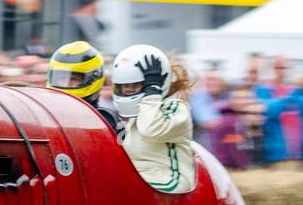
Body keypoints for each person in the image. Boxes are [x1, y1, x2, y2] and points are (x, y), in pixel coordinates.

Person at [109, 44, 195, 193]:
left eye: (136, 84)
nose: (128, 89)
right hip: (137, 180)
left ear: (153, 84)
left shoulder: (175, 108)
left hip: (169, 180)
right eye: (124, 85)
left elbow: (151, 130)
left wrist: (152, 92)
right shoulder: (128, 120)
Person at [45, 40, 116, 131]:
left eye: (74, 79)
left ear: (94, 78)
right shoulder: (41, 115)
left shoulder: (105, 122)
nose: (66, 83)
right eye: (62, 78)